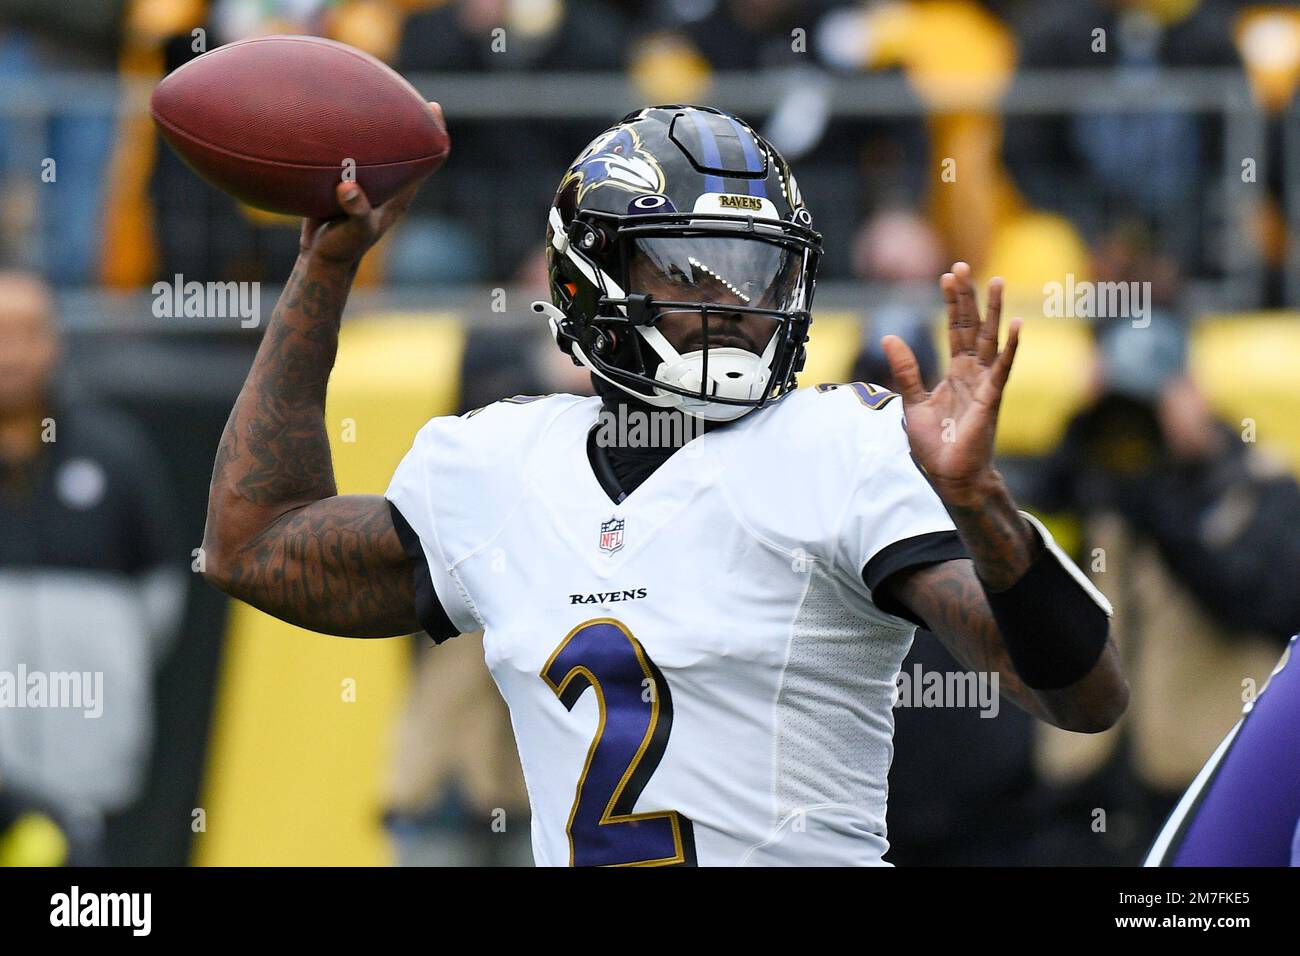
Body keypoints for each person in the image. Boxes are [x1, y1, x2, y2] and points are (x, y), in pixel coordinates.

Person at [201, 104, 1129, 866]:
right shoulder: (497, 466)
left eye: (757, 271)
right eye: (692, 268)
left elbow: (1080, 698)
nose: (733, 304)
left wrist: (984, 508)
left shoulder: (837, 446)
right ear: (587, 283)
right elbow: (252, 545)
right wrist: (324, 269)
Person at [0, 270, 184, 863]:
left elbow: (160, 601)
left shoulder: (115, 452)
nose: (12, 354)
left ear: (54, 343)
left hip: (92, 779)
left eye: (26, 334)